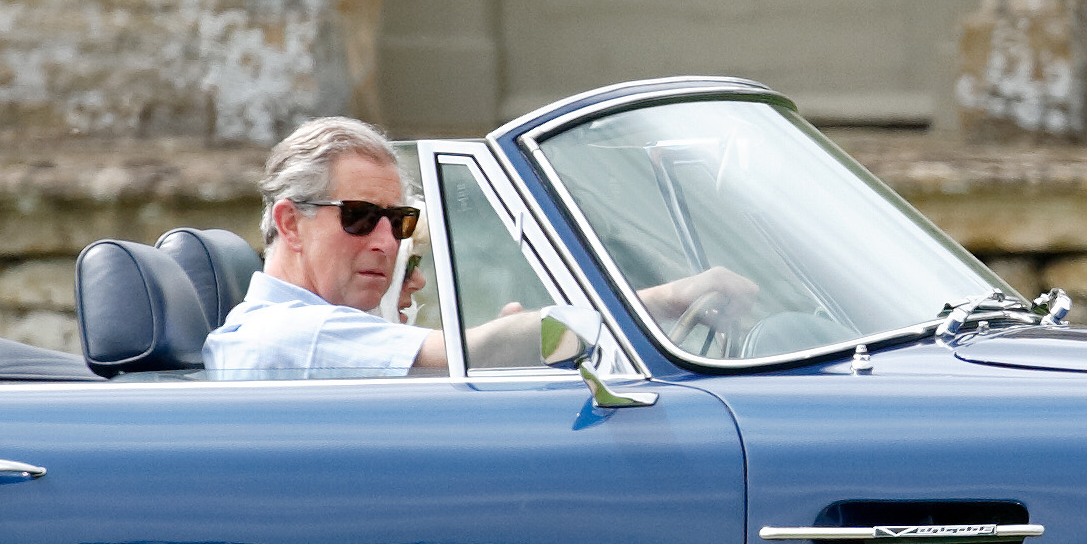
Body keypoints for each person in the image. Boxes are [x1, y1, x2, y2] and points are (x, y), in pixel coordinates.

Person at [202, 117, 751, 380]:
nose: (385, 241)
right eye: (361, 217)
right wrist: (668, 301)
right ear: (290, 224)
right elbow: (470, 354)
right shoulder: (288, 333)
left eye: (398, 221)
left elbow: (477, 353)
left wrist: (515, 342)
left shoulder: (308, 331)